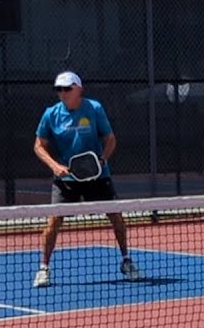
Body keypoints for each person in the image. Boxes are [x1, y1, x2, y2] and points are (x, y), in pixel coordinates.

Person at [32, 71, 141, 288]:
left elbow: (110, 139)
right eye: (59, 89)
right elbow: (38, 145)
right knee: (53, 222)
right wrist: (55, 166)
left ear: (79, 89)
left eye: (67, 88)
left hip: (98, 176)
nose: (63, 93)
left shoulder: (94, 109)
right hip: (66, 180)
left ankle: (126, 260)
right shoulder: (50, 114)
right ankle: (44, 268)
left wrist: (102, 160)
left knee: (116, 218)